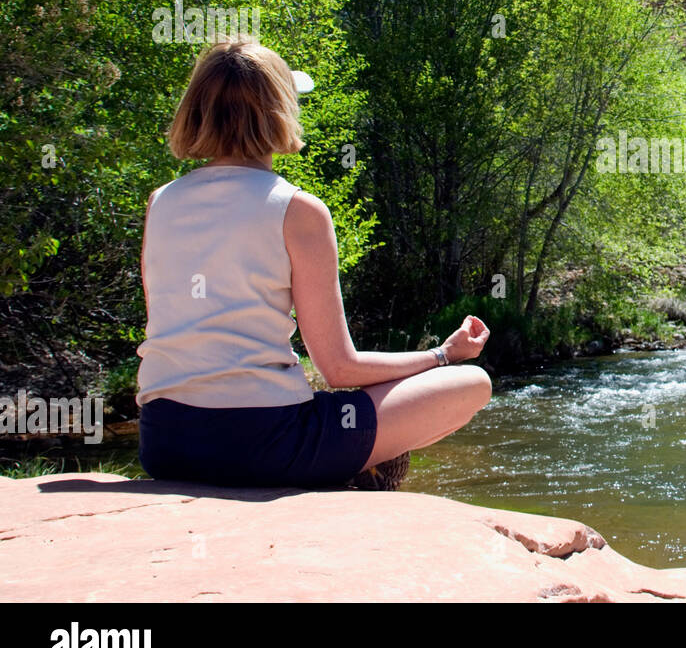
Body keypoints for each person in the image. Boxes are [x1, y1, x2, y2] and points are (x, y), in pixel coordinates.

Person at [136, 34, 491, 490]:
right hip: (268, 445)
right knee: (472, 384)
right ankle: (356, 469)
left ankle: (352, 464)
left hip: (164, 445)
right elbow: (340, 370)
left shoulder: (160, 201)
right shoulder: (298, 210)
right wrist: (444, 355)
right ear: (279, 112)